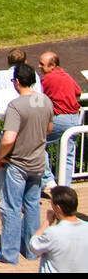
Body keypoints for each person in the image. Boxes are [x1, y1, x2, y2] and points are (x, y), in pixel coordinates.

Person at [0, 63, 54, 264]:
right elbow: (49, 128)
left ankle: (9, 254)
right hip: (38, 163)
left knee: (11, 207)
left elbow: (8, 138)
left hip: (17, 163)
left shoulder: (16, 105)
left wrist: (0, 157)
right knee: (32, 206)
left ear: (17, 82)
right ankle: (31, 250)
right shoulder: (44, 100)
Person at [38, 51, 82, 188]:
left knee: (37, 144)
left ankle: (48, 180)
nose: (39, 66)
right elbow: (78, 93)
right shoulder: (67, 76)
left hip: (59, 119)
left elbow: (38, 99)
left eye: (42, 64)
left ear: (53, 66)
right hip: (74, 119)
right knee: (68, 154)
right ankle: (64, 187)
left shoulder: (47, 79)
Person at [29, 186, 88, 273]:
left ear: (58, 208)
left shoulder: (53, 233)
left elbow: (33, 246)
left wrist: (47, 222)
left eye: (51, 203)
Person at [0, 48, 43, 117]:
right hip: (30, 115)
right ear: (25, 61)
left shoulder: (0, 76)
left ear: (8, 61)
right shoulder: (33, 73)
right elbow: (38, 95)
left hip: (8, 115)